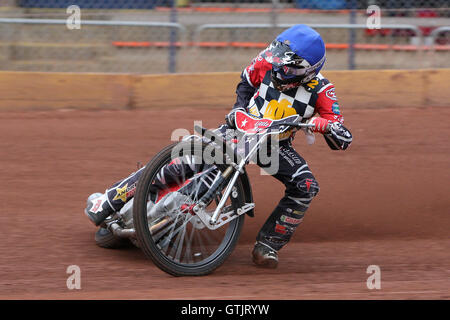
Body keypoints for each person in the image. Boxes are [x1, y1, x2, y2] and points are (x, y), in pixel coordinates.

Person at [85, 24, 352, 269]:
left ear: (310, 69)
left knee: (306, 186)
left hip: (274, 146)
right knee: (182, 161)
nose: (282, 72)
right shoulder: (266, 63)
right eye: (280, 65)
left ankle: (269, 244)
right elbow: (246, 83)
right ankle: (110, 200)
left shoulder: (323, 90)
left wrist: (326, 125)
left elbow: (343, 136)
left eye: (291, 70)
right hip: (239, 130)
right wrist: (237, 110)